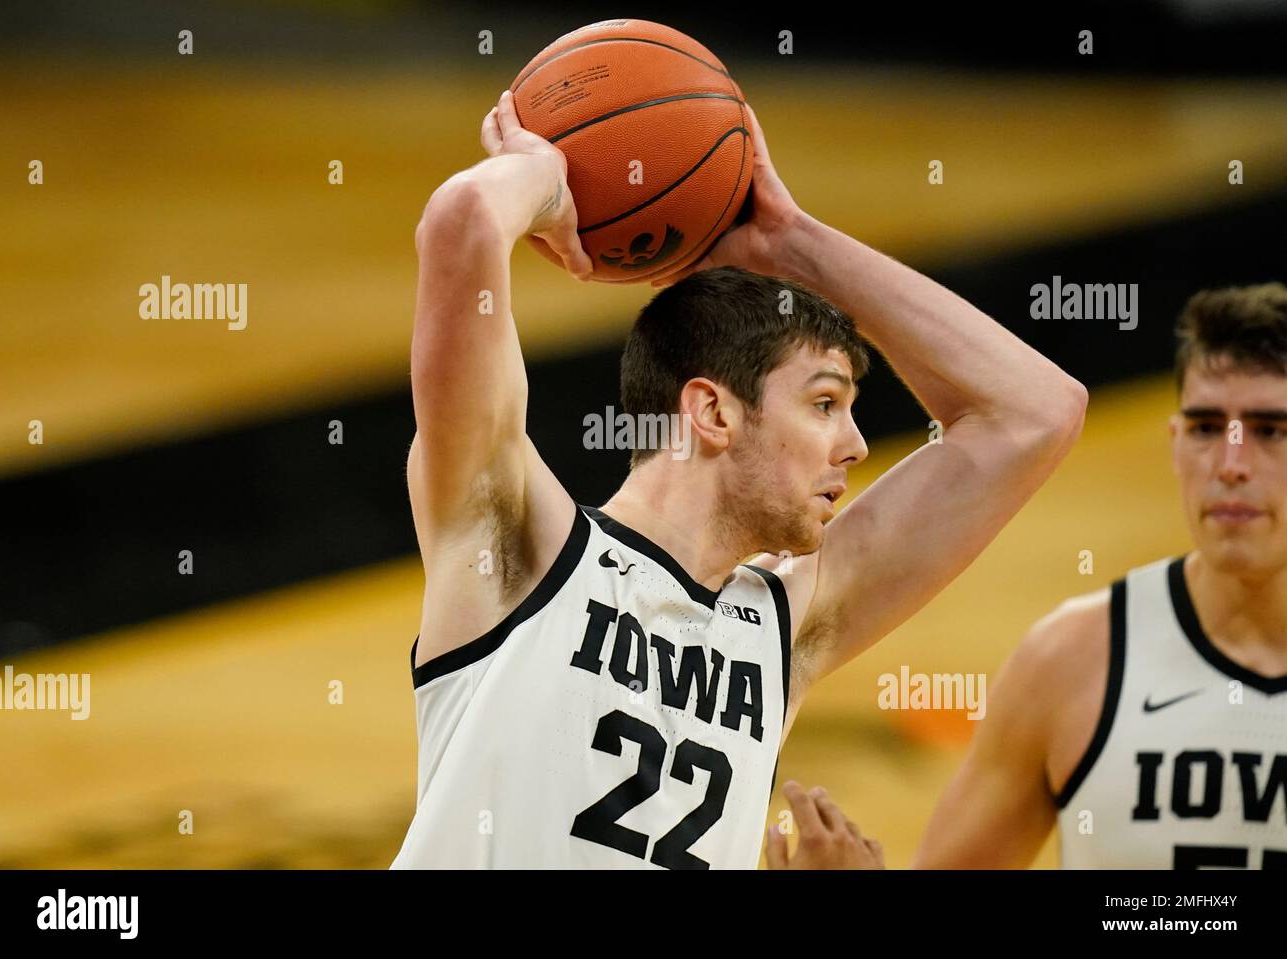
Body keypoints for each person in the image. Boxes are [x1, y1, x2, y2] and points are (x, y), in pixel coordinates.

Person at [390, 90, 1086, 869]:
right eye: (825, 403)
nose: (856, 445)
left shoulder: (781, 628)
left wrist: (790, 244)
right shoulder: (521, 543)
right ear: (712, 411)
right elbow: (462, 221)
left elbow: (1037, 413)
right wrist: (543, 178)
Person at [814, 284, 1287, 870]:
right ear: (1175, 444)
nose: (1232, 465)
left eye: (1270, 431)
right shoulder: (1069, 661)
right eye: (1207, 428)